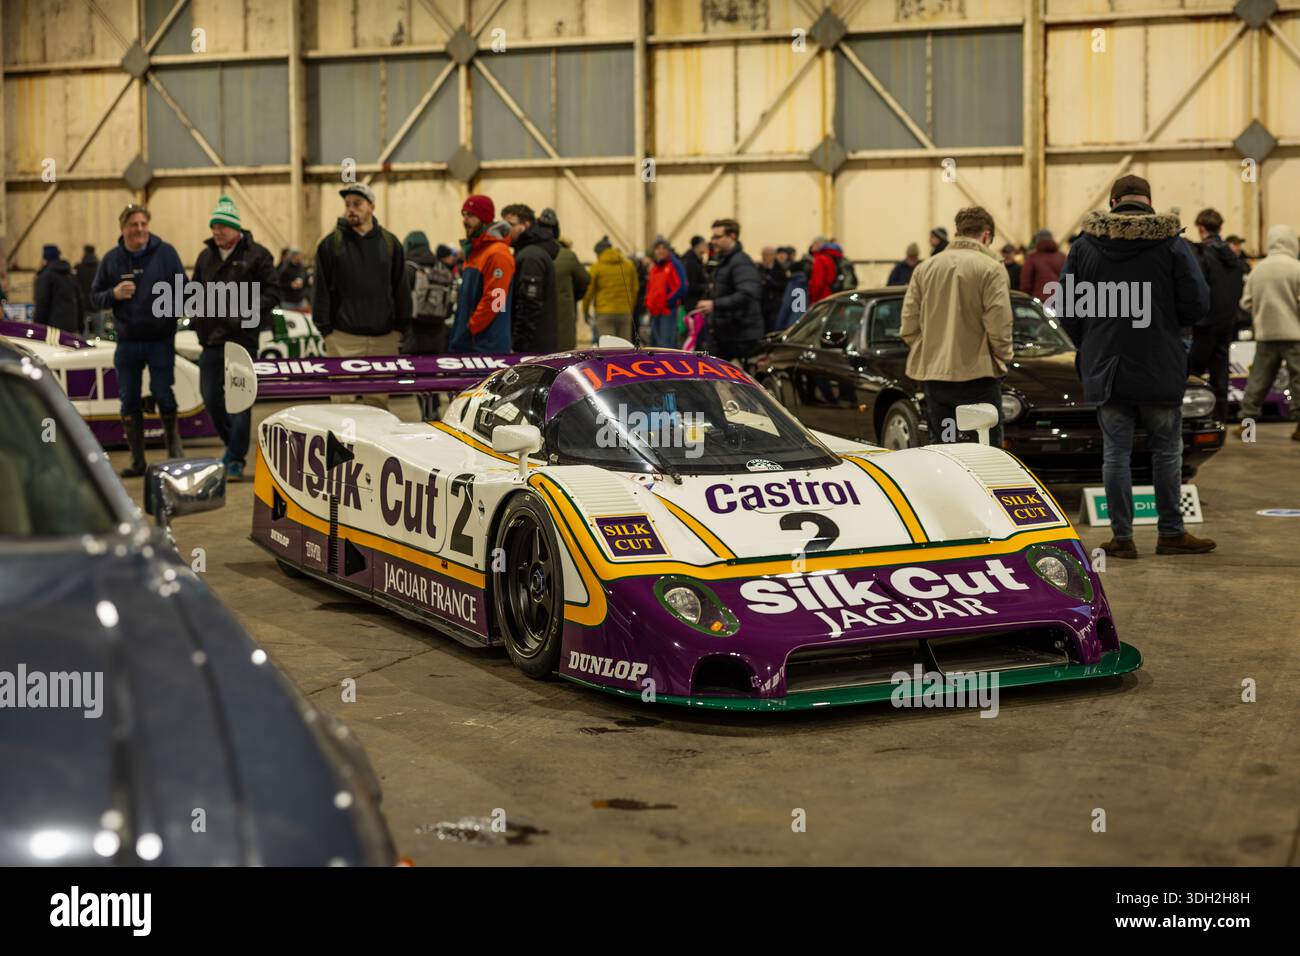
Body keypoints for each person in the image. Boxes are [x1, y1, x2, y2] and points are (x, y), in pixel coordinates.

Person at [1059, 174, 1213, 557]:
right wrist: (1169, 329)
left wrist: (1092, 342)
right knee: (1166, 451)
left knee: (1116, 453)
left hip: (1107, 366)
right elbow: (1198, 304)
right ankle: (1171, 533)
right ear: (1148, 201)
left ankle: (1122, 539)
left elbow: (1066, 308)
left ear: (1113, 203)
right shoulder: (1172, 245)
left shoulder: (1083, 248)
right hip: (1160, 362)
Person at [900, 206, 1013, 449]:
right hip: (979, 376)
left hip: (935, 377)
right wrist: (1003, 358)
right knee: (985, 449)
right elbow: (999, 324)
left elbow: (908, 325)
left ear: (957, 232)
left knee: (944, 447)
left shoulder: (925, 268)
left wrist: (930, 350)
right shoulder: (991, 269)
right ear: (986, 235)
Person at [89, 204, 187, 476]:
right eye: (134, 224)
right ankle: (137, 460)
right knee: (128, 399)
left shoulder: (166, 254)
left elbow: (185, 290)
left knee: (163, 393)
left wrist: (171, 307)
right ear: (123, 229)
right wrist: (114, 294)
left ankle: (174, 450)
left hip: (160, 339)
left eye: (143, 223)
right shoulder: (111, 260)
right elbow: (94, 297)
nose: (140, 229)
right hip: (128, 342)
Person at [190, 195, 279, 481]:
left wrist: (244, 312)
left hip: (243, 338)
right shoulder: (205, 257)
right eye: (214, 226)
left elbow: (273, 293)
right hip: (212, 339)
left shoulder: (258, 255)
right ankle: (232, 446)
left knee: (240, 399)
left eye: (222, 227)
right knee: (210, 396)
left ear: (235, 228)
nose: (217, 231)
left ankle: (236, 459)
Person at [311, 182, 416, 417]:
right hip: (342, 338)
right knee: (342, 404)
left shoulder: (390, 244)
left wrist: (401, 327)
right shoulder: (330, 245)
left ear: (372, 207)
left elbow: (400, 287)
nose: (351, 209)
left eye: (357, 204)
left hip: (384, 338)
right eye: (347, 204)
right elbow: (320, 289)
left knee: (378, 405)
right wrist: (326, 330)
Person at [1237, 224, 1300, 442]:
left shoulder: (1258, 270)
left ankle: (1247, 428)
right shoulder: (1296, 268)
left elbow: (1245, 303)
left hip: (1265, 335)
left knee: (1257, 382)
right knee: (1298, 382)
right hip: (1294, 335)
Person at [1186, 209, 1246, 420]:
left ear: (1201, 228)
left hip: (1204, 325)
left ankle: (1193, 420)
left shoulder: (1203, 256)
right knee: (1220, 379)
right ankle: (1219, 422)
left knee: (1191, 376)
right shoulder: (1236, 260)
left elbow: (1198, 290)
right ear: (1220, 228)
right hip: (1227, 324)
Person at [449, 194, 514, 354]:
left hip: (486, 346)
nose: (465, 220)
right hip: (468, 343)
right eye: (463, 215)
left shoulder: (497, 253)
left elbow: (496, 301)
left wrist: (471, 328)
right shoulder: (475, 252)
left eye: (470, 215)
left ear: (484, 218)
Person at [697, 218, 762, 362]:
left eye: (717, 237)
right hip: (726, 333)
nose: (713, 241)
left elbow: (748, 293)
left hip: (741, 335)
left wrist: (714, 305)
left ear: (732, 236)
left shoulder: (740, 262)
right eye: (712, 237)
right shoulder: (724, 260)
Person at [500, 204, 559, 353]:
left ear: (525, 225)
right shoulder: (526, 251)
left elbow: (529, 304)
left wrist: (518, 344)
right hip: (537, 341)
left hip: (532, 346)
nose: (505, 230)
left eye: (511, 225)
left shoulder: (530, 256)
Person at [537, 208, 588, 351]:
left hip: (536, 327)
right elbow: (584, 280)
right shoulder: (568, 255)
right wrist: (571, 296)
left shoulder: (530, 254)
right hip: (562, 323)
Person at [400, 230, 453, 355]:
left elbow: (400, 302)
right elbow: (449, 306)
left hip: (411, 334)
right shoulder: (442, 269)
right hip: (438, 334)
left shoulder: (407, 269)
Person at [581, 236, 638, 342]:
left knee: (608, 348)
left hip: (604, 313)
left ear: (599, 253)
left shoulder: (596, 267)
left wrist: (585, 310)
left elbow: (588, 292)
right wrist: (630, 307)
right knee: (625, 349)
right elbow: (634, 289)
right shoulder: (629, 266)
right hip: (625, 312)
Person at [646, 236, 688, 348]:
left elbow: (682, 286)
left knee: (666, 345)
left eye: (663, 248)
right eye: (658, 248)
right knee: (654, 346)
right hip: (655, 311)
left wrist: (668, 302)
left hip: (668, 311)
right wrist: (648, 302)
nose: (660, 251)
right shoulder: (655, 267)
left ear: (668, 250)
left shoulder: (674, 264)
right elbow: (651, 287)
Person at [34, 244, 83, 333]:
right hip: (71, 326)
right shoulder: (70, 274)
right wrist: (80, 325)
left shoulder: (46, 276)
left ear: (45, 259)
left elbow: (42, 302)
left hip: (52, 330)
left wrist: (37, 326)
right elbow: (79, 300)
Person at [1021, 228, 1066, 300]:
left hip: (1041, 302)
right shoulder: (1062, 257)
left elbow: (1026, 285)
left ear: (1037, 241)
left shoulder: (1032, 258)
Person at [808, 236, 849, 304]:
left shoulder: (820, 260)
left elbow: (817, 283)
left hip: (821, 297)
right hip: (834, 295)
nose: (812, 247)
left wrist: (813, 298)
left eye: (813, 244)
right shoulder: (834, 258)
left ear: (818, 245)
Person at [758, 245, 788, 333]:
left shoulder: (780, 269)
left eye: (767, 255)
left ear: (773, 256)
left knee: (773, 327)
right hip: (762, 303)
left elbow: (784, 286)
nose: (764, 257)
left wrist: (769, 282)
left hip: (775, 304)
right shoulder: (759, 268)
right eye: (763, 255)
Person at [775, 257, 809, 331]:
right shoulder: (804, 283)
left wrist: (779, 324)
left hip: (789, 324)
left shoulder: (793, 283)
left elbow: (786, 304)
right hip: (801, 323)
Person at [681, 235, 708, 312]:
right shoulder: (691, 262)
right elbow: (691, 285)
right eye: (704, 244)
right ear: (698, 246)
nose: (706, 246)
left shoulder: (697, 260)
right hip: (692, 304)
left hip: (695, 301)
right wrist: (707, 286)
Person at [75, 244, 98, 322]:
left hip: (83, 304)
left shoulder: (78, 267)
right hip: (97, 303)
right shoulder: (100, 267)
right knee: (99, 332)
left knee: (84, 332)